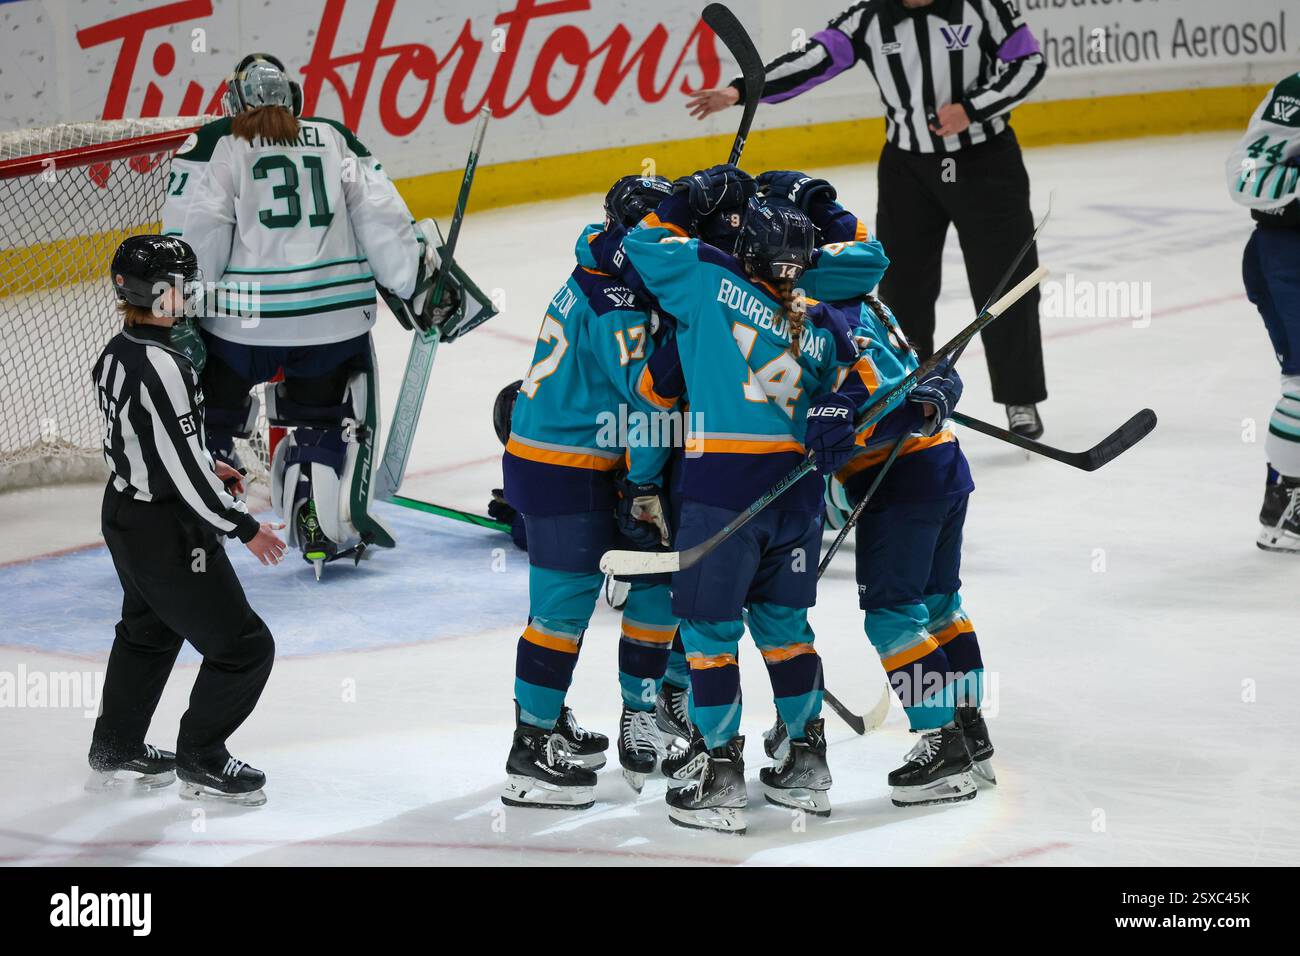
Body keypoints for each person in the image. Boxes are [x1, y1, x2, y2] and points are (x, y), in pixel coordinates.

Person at [590, 165, 872, 832]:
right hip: (795, 500)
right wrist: (839, 408)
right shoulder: (821, 316)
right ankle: (807, 767)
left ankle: (719, 776)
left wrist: (690, 197)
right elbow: (865, 375)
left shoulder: (707, 284)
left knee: (711, 638)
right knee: (786, 632)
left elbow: (644, 246)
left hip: (720, 496)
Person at [686, 0, 1050, 439]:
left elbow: (1028, 62)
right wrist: (740, 90)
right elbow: (814, 60)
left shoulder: (981, 7)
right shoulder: (870, 17)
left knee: (1004, 279)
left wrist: (972, 108)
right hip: (908, 170)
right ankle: (909, 393)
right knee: (901, 288)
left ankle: (1019, 396)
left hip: (986, 164)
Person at [161, 52, 460, 577]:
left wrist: (182, 306)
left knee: (209, 420)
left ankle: (190, 536)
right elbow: (383, 219)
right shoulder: (334, 137)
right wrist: (413, 281)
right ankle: (317, 522)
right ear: (294, 97)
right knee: (320, 420)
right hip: (334, 322)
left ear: (235, 98)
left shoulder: (215, 143)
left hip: (243, 325)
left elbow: (199, 235)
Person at [764, 170, 994, 805]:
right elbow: (930, 375)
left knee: (895, 615)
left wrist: (839, 424)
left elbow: (863, 406)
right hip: (945, 468)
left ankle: (940, 742)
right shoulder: (866, 292)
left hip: (899, 481)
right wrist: (932, 399)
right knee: (940, 605)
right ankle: (969, 731)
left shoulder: (809, 308)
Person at [500, 176, 691, 809]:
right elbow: (647, 397)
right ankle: (529, 753)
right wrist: (641, 483)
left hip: (548, 459)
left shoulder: (596, 264)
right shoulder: (620, 303)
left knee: (559, 610)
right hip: (569, 469)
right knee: (560, 615)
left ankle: (546, 722)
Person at [87, 234, 285, 806]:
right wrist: (245, 527)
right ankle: (202, 759)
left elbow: (157, 445)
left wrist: (210, 461)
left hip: (125, 514)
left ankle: (116, 747)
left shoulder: (115, 353)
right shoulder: (167, 366)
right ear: (158, 291)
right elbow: (183, 477)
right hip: (169, 530)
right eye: (180, 284)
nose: (188, 293)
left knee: (148, 633)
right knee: (244, 647)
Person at [1227, 71, 1300, 554]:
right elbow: (1246, 175)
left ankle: (1284, 507)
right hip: (1287, 256)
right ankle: (1287, 509)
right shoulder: (1294, 94)